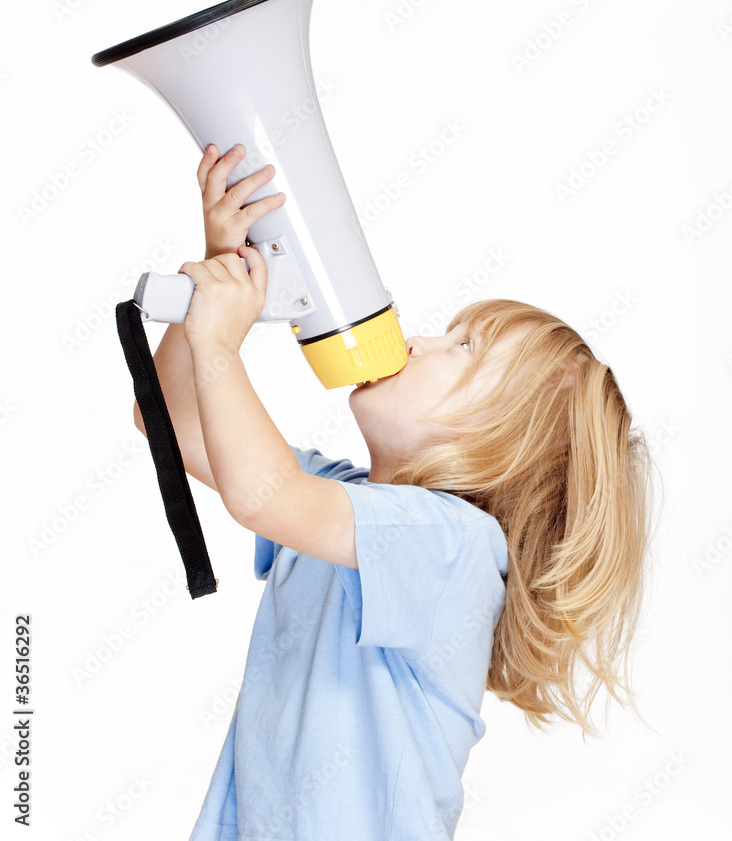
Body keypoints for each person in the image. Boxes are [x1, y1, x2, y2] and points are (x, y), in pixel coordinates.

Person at [133, 143, 659, 841]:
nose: (417, 341)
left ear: (504, 442)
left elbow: (262, 495)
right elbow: (165, 421)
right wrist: (217, 273)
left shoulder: (455, 544)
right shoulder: (335, 497)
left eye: (464, 348)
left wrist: (221, 347)